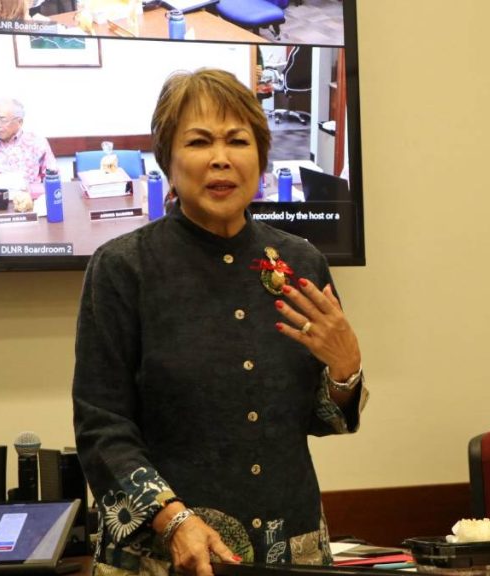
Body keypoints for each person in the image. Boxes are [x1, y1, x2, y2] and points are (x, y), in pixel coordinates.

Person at [73, 68, 366, 576]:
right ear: (167, 160)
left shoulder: (300, 262)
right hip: (165, 554)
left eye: (237, 140)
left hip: (288, 544)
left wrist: (346, 372)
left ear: (261, 157)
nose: (221, 158)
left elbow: (321, 419)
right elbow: (101, 426)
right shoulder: (123, 268)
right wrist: (172, 519)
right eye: (199, 141)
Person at [0, 97, 57, 185]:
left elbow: (53, 177)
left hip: (30, 192)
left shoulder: (36, 143)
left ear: (20, 122)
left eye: (3, 120)